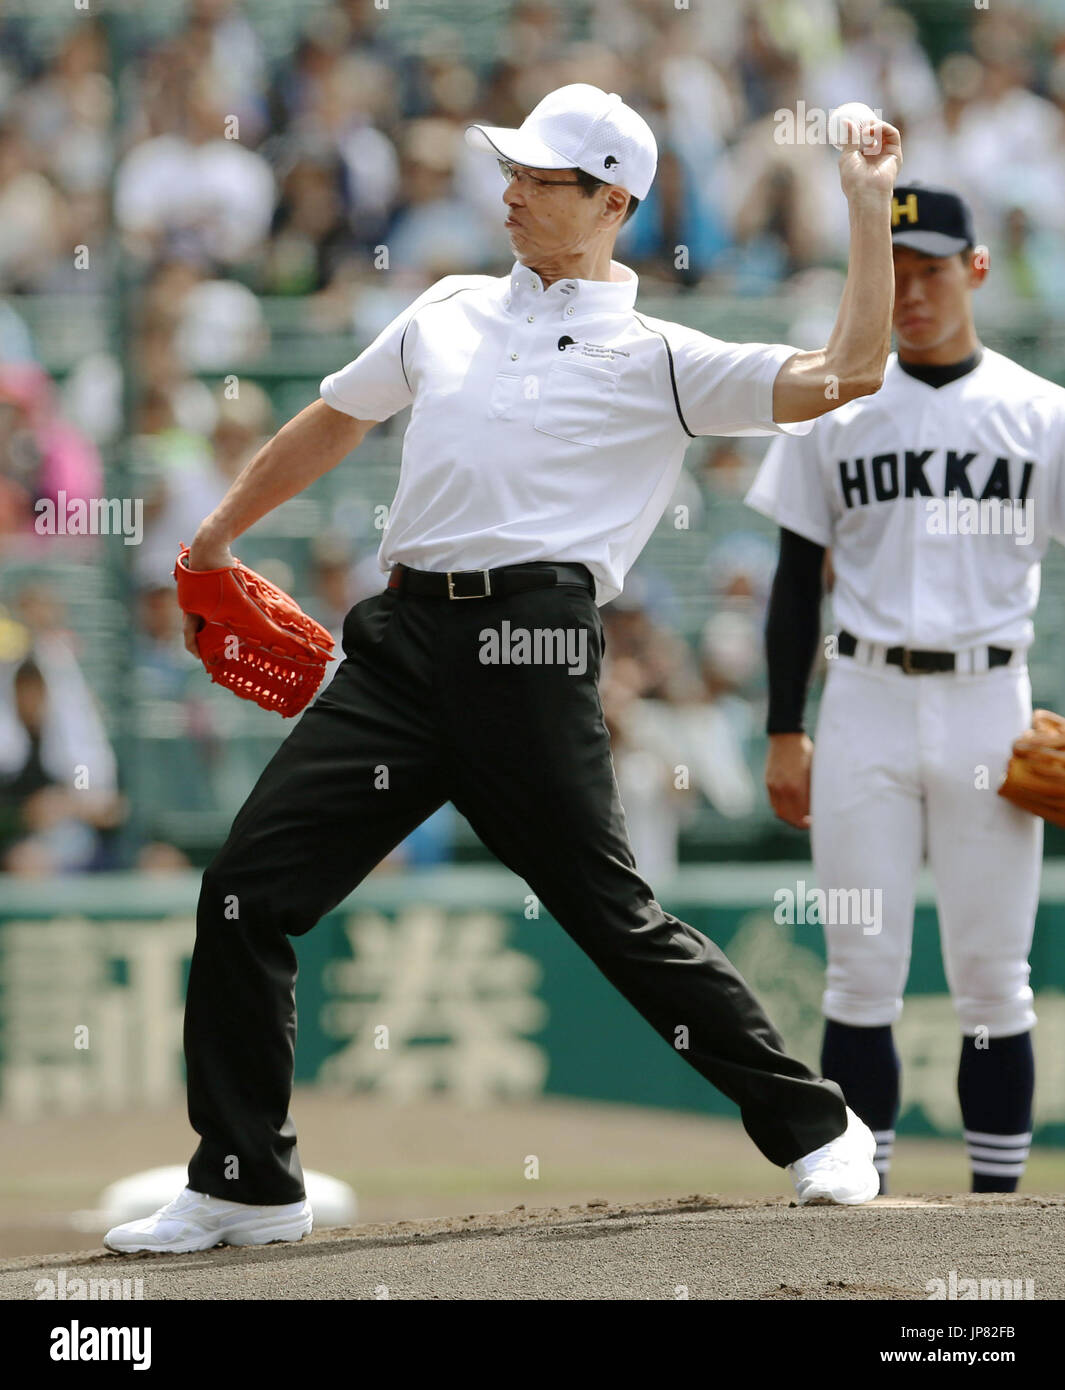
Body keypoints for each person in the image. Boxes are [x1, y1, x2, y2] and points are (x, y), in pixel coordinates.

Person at [105, 84, 901, 1253]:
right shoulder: (449, 307)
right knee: (242, 889)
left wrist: (867, 208)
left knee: (613, 916)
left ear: (615, 200)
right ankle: (245, 1179)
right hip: (401, 645)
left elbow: (850, 374)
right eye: (512, 169)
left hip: (533, 647)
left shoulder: (660, 355)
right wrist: (214, 537)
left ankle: (817, 1123)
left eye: (543, 176)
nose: (512, 190)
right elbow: (333, 419)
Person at [747, 183, 1052, 1194]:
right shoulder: (839, 406)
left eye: (930, 266)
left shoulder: (1040, 411)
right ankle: (858, 1202)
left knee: (992, 983)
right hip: (865, 700)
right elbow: (795, 582)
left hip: (988, 699)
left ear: (974, 267)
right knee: (860, 975)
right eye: (895, 267)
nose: (911, 289)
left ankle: (996, 1214)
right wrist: (784, 727)